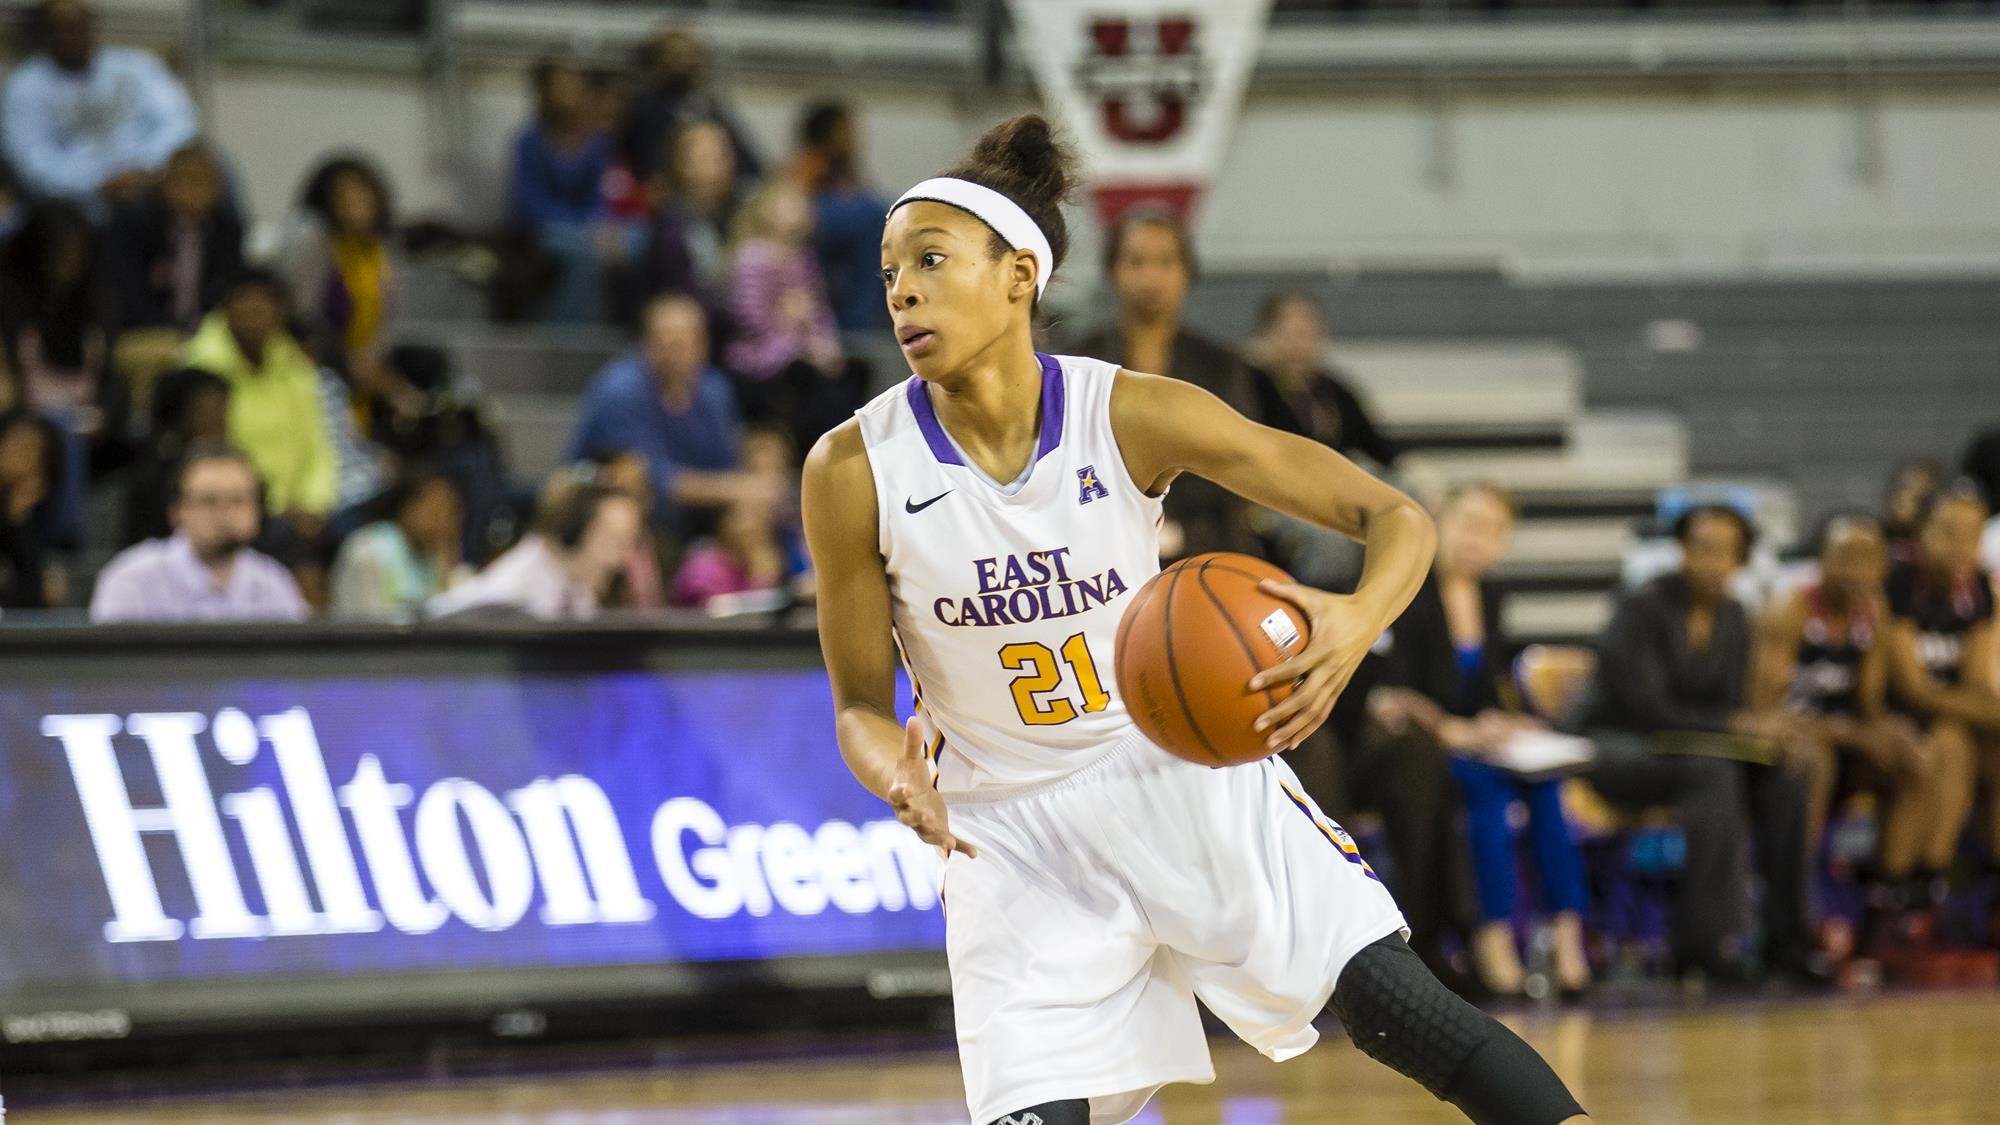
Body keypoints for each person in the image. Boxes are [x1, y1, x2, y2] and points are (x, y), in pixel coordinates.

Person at [803, 115, 1589, 1125]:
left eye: (930, 259)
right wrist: (896, 775)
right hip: (1006, 833)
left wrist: (1353, 623)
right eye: (888, 273)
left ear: (1018, 276)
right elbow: (859, 706)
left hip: (1176, 769)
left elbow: (1395, 517)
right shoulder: (851, 467)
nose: (901, 291)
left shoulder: (1128, 412)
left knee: (1401, 1010)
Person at [1580, 504, 1825, 985]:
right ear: (1682, 551)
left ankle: (1789, 941)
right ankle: (1710, 944)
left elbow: (1730, 706)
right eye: (1702, 548)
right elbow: (1646, 707)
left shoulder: (1735, 615)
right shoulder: (1640, 606)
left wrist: (1758, 730)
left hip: (1694, 748)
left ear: (1741, 559)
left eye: (1725, 551)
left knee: (1788, 771)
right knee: (1714, 773)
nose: (1712, 562)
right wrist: (1736, 725)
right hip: (1616, 744)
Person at [1375, 483, 1592, 997]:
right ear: (1440, 521)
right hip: (1426, 750)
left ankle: (1567, 936)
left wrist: (1504, 720)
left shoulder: (1491, 596)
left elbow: (1486, 686)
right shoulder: (1407, 589)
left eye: (1494, 530)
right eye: (1470, 524)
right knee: (1487, 792)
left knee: (1546, 787)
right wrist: (1457, 729)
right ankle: (1491, 939)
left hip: (1477, 743)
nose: (1479, 539)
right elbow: (1393, 693)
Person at [1754, 514, 1953, 936]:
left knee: (1916, 759)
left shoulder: (1873, 612)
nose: (1856, 571)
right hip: (1782, 754)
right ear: (1821, 560)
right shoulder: (1790, 609)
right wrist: (1853, 733)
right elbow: (1763, 713)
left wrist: (1889, 732)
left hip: (1841, 743)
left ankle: (1889, 903)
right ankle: (1791, 911)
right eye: (1846, 558)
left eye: (1869, 560)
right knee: (1815, 761)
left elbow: (1867, 708)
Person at [1071, 205, 1255, 559]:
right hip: (1099, 542)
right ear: (1112, 271)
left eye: (1166, 262)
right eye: (1136, 262)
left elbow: (1239, 465)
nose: (1151, 276)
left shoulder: (1221, 365)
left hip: (1207, 546)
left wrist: (1180, 534)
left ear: (1187, 271)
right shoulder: (1078, 361)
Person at [567, 294, 782, 538]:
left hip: (696, 509)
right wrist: (736, 489)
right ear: (647, 344)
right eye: (667, 340)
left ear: (703, 345)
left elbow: (725, 463)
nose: (676, 351)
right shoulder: (620, 391)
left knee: (753, 508)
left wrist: (755, 483)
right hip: (604, 508)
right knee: (647, 497)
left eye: (686, 341)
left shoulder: (715, 390)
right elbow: (652, 478)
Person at [1881, 484, 1998, 907]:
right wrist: (1982, 709)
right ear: (1922, 532)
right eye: (1949, 532)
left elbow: (1976, 680)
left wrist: (1984, 709)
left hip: (1949, 713)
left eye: (1972, 535)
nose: (1961, 546)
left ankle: (1956, 891)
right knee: (1948, 746)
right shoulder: (1896, 580)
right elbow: (1913, 689)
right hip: (1890, 715)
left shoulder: (1978, 587)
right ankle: (1906, 889)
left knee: (1978, 745)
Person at [1246, 291, 1401, 592]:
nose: (1299, 345)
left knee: (1403, 507)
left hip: (1334, 493)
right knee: (1330, 541)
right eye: (1290, 334)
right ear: (1266, 336)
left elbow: (1377, 447)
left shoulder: (1333, 389)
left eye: (1308, 334)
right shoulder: (1249, 385)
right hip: (1273, 498)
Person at [1, 0, 198, 213]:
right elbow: (31, 161)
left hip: (149, 182)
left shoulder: (137, 67)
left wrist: (145, 168)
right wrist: (97, 184)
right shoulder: (24, 86)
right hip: (73, 202)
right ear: (44, 34)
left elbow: (180, 121)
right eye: (60, 28)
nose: (69, 36)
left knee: (206, 175)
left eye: (76, 26)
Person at [181, 269, 338, 533]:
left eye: (262, 308)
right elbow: (208, 453)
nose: (254, 318)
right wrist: (251, 506)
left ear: (279, 314)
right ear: (227, 310)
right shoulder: (201, 367)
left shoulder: (295, 364)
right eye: (246, 307)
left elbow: (318, 446)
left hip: (294, 512)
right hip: (229, 507)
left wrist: (313, 504)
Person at [280, 153, 420, 433]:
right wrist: (350, 361)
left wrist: (373, 359)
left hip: (371, 357)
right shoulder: (317, 244)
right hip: (322, 355)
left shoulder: (384, 248)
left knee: (422, 372)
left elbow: (391, 315)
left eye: (360, 192)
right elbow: (300, 316)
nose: (354, 203)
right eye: (343, 196)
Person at [724, 177, 867, 452]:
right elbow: (750, 320)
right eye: (787, 203)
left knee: (854, 371)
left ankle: (842, 450)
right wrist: (788, 324)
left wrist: (825, 345)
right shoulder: (752, 259)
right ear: (766, 210)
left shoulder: (804, 259)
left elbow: (818, 310)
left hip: (802, 351)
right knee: (814, 386)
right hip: (762, 358)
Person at [90, 444, 308, 623]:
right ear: (177, 512)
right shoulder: (131, 582)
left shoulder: (273, 583)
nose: (224, 513)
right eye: (209, 501)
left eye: (238, 500)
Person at [425, 472, 641, 622]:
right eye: (615, 542)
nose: (623, 559)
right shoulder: (506, 598)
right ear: (570, 533)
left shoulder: (576, 592)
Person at [508, 58, 620, 324]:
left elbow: (599, 199)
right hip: (537, 231)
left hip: (585, 230)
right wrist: (581, 228)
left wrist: (596, 226)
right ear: (545, 94)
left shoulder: (598, 144)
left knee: (631, 243)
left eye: (573, 88)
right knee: (585, 253)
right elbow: (530, 204)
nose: (567, 96)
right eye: (559, 88)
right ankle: (567, 335)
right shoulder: (529, 141)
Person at [102, 143, 244, 339]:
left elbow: (225, 290)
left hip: (206, 334)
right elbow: (128, 294)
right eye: (183, 179)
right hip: (144, 331)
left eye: (200, 180)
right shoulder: (133, 225)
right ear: (164, 183)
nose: (191, 190)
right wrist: (166, 333)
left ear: (218, 188)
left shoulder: (227, 229)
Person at [792, 100, 892, 334]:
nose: (853, 137)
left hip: (842, 235)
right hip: (816, 225)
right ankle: (859, 323)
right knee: (876, 215)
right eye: (846, 129)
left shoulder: (846, 167)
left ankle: (875, 314)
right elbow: (802, 203)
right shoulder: (810, 162)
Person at [617, 28, 760, 187]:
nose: (684, 62)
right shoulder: (644, 110)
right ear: (657, 61)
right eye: (674, 55)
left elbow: (749, 165)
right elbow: (645, 167)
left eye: (690, 55)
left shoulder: (710, 106)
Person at [328, 469, 467, 620]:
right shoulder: (370, 550)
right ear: (408, 507)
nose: (445, 520)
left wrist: (446, 559)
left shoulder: (432, 554)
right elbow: (369, 621)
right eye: (436, 510)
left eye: (451, 511)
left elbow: (445, 612)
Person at [120, 366, 228, 546]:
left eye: (222, 412)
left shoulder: (234, 472)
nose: (220, 423)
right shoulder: (154, 480)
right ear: (180, 416)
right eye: (209, 413)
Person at [639, 118, 743, 303]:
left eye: (721, 157)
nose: (713, 169)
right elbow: (683, 298)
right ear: (679, 164)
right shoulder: (671, 231)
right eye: (702, 159)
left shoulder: (740, 215)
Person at [0, 409, 64, 610]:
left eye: (37, 449)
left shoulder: (31, 509)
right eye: (20, 444)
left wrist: (18, 518)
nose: (27, 456)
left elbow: (37, 585)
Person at [1883, 459, 1946, 566]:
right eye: (1904, 487)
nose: (1904, 496)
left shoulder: (1933, 548)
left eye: (1919, 491)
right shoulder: (1875, 537)